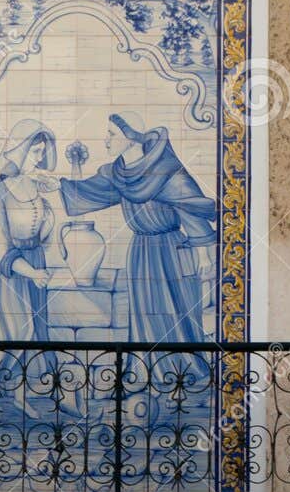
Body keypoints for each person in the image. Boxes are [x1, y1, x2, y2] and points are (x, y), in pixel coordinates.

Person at [41, 112, 217, 344]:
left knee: (174, 310)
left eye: (112, 134)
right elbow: (88, 190)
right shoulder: (118, 174)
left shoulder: (166, 170)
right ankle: (147, 362)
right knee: (145, 310)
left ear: (131, 138)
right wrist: (57, 185)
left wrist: (203, 254)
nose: (106, 140)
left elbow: (190, 208)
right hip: (140, 252)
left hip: (170, 251)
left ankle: (180, 362)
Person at [0, 120, 58, 340]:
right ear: (19, 152)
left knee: (39, 334)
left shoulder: (35, 185)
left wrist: (55, 190)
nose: (40, 159)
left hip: (36, 263)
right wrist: (33, 273)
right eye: (36, 151)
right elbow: (1, 250)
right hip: (11, 272)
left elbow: (44, 235)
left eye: (43, 152)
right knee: (18, 335)